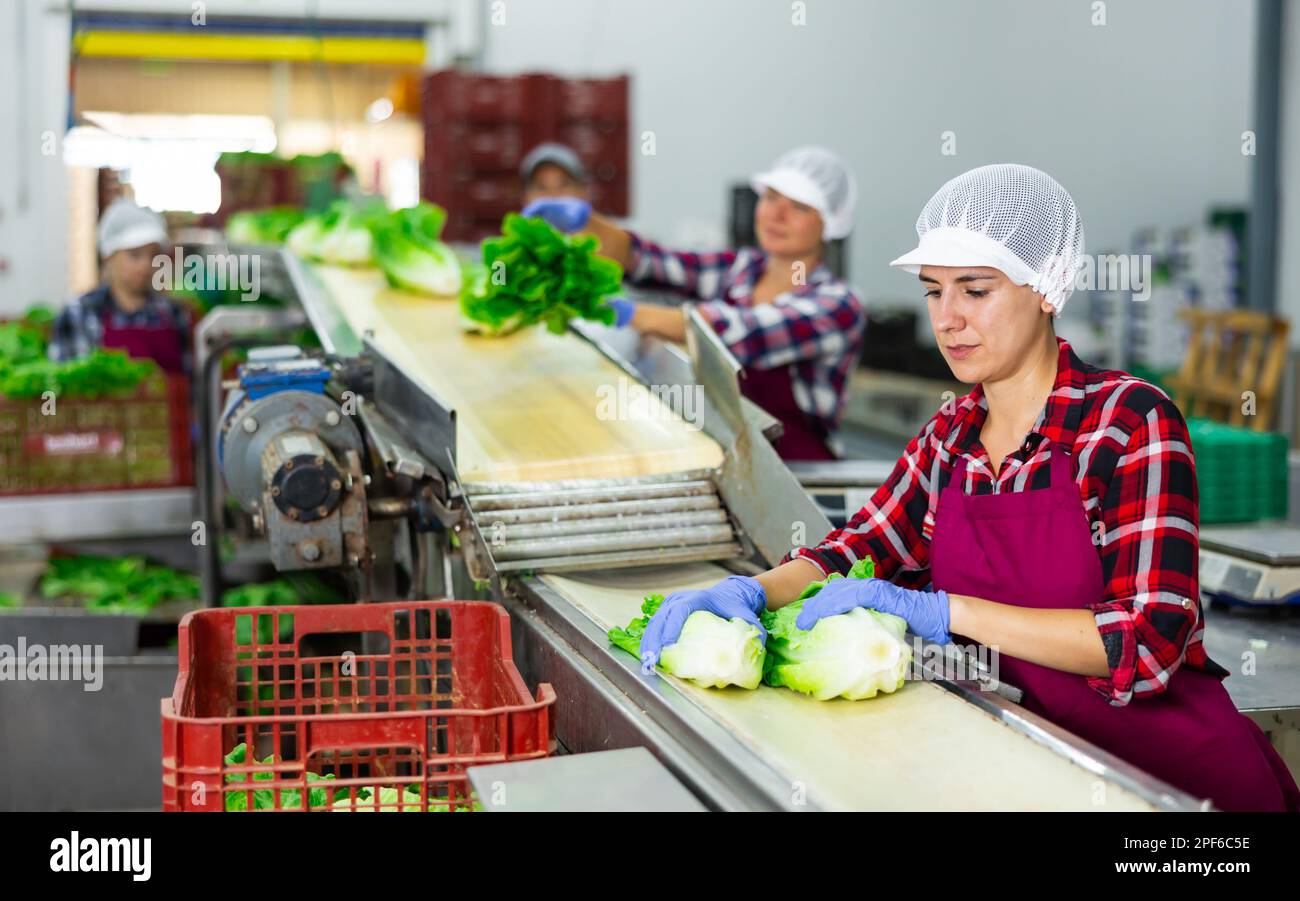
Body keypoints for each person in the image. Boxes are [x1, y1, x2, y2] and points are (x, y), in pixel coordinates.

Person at [639, 164, 1300, 812]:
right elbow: (855, 547)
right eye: (933, 290)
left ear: (1047, 287)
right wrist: (751, 591)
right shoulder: (950, 436)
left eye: (975, 290)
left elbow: (1146, 640)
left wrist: (942, 611)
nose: (947, 319)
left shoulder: (1130, 422)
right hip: (1037, 761)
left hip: (1174, 786)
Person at [524, 147, 865, 461]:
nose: (777, 215)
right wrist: (586, 222)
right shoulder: (740, 269)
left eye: (799, 207)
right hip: (731, 455)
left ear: (829, 223)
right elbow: (650, 261)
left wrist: (625, 313)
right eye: (771, 198)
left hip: (799, 470)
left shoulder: (838, 305)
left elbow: (732, 331)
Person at [49, 198, 191, 374]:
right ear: (109, 255)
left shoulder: (172, 313)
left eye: (153, 255)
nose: (145, 266)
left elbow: (188, 385)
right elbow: (64, 386)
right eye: (135, 254)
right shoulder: (79, 313)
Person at [520, 142, 592, 207]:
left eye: (564, 185)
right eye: (541, 187)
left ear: (582, 194)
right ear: (525, 199)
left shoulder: (600, 221)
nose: (553, 196)